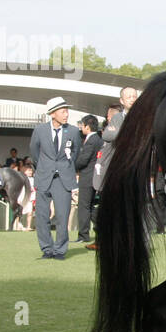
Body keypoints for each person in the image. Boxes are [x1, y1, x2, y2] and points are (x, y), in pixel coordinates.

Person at [29, 96, 83, 259]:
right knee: (42, 217)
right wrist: (46, 168)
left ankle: (60, 250)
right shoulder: (39, 130)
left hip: (63, 179)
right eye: (63, 111)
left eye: (67, 111)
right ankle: (47, 249)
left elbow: (75, 153)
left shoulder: (73, 131)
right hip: (44, 177)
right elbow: (34, 153)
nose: (66, 114)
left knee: (62, 215)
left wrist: (64, 167)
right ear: (52, 114)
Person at [74, 114, 103, 243]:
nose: (81, 128)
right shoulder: (100, 140)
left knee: (84, 206)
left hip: (87, 176)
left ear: (87, 126)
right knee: (91, 206)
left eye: (82, 125)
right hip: (96, 176)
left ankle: (83, 235)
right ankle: (101, 227)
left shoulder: (91, 140)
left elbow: (84, 159)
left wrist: (73, 166)